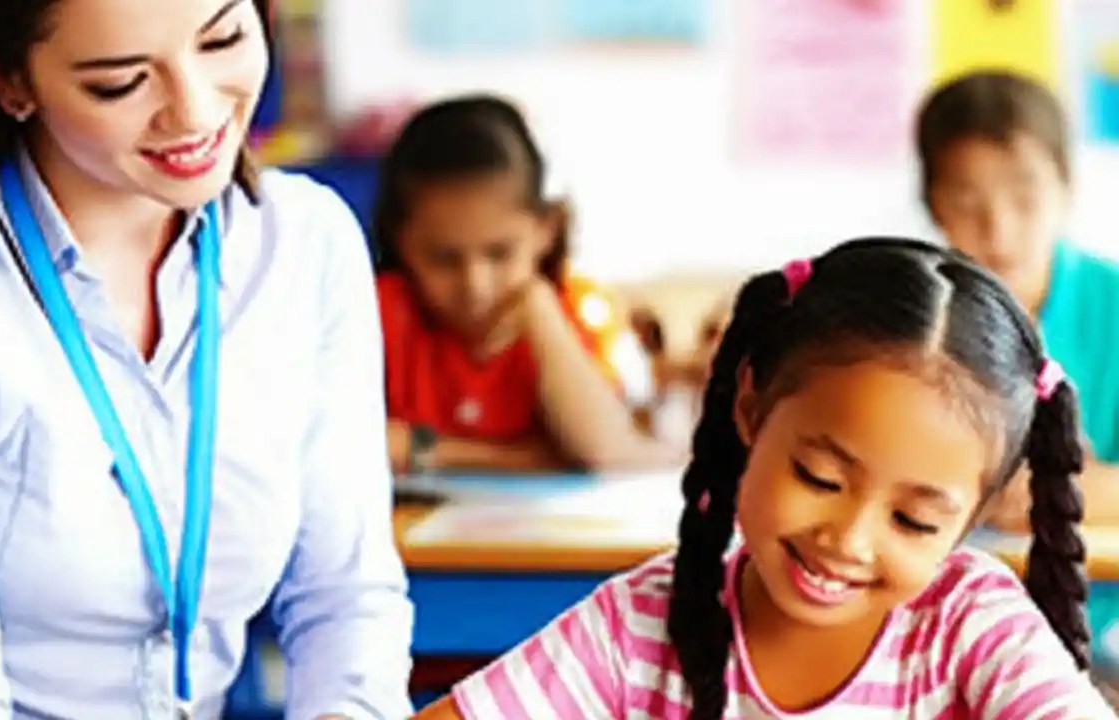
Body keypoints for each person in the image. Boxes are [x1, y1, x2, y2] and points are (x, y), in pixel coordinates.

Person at [0, 0, 412, 717]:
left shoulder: (307, 242)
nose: (195, 111)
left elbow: (345, 597)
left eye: (224, 38)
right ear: (7, 76)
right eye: (121, 81)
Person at [415, 238, 1113, 719]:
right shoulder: (641, 626)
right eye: (818, 476)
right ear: (752, 409)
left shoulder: (968, 626)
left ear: (969, 521)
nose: (849, 539)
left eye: (914, 522)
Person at [374, 95, 677, 473]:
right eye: (445, 259)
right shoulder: (378, 310)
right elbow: (356, 446)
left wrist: (542, 316)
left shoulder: (576, 307)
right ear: (401, 240)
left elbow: (605, 451)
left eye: (499, 254)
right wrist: (520, 458)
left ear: (545, 231)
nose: (475, 284)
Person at [918, 70, 1119, 529]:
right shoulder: (910, 310)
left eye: (1025, 199)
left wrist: (1060, 492)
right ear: (933, 204)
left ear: (1065, 189)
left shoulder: (1111, 302)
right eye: (969, 203)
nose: (999, 230)